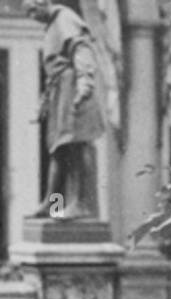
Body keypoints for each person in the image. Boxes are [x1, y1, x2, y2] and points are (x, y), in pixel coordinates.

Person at [23, 0, 107, 219]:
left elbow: (82, 50)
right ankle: (53, 204)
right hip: (61, 90)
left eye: (32, 9)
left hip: (73, 89)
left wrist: (84, 85)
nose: (31, 16)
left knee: (79, 145)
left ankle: (83, 204)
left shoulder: (65, 19)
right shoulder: (53, 25)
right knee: (59, 149)